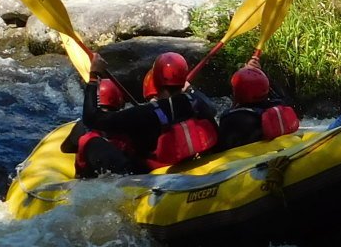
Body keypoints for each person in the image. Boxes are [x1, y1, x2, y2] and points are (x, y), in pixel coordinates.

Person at [79, 51, 223, 169]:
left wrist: (94, 76)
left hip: (150, 176)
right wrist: (189, 88)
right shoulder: (197, 103)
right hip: (192, 161)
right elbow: (212, 109)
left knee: (89, 140)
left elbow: (91, 118)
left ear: (155, 81)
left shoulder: (144, 114)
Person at [64, 75, 148, 178]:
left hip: (89, 181)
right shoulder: (128, 123)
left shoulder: (82, 126)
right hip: (126, 177)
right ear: (119, 101)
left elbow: (65, 149)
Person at [214, 62, 301, 151]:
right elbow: (282, 97)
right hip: (278, 151)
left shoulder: (230, 118)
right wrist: (259, 72)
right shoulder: (278, 105)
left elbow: (220, 147)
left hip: (245, 160)